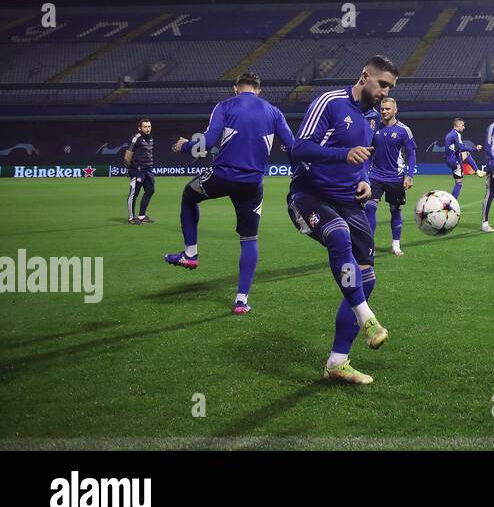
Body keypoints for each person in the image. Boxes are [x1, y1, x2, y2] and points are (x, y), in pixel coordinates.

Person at [286, 56, 397, 384]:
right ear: (365, 77)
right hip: (308, 195)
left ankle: (337, 362)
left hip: (349, 199)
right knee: (338, 236)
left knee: (368, 278)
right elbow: (298, 149)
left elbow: (363, 156)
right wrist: (341, 155)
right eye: (382, 84)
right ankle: (367, 318)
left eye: (390, 87)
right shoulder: (330, 103)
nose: (386, 92)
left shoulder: (373, 118)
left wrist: (363, 177)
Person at [164, 72, 295, 314]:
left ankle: (190, 254)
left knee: (188, 195)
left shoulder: (224, 106)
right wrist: (300, 177)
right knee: (249, 239)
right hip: (252, 184)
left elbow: (209, 141)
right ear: (259, 90)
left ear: (236, 88)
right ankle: (241, 301)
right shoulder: (274, 112)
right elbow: (292, 147)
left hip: (222, 176)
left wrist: (185, 146)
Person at [366, 98, 417, 256]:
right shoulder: (374, 128)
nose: (384, 111)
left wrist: (409, 175)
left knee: (395, 210)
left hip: (395, 177)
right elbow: (367, 151)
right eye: (382, 109)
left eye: (388, 109)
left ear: (395, 110)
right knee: (369, 208)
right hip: (374, 175)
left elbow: (412, 153)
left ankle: (396, 244)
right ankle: (369, 245)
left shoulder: (404, 130)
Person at [443, 117, 484, 201]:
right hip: (455, 161)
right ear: (457, 125)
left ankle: (478, 171)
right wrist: (475, 149)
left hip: (449, 159)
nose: (464, 127)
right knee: (459, 184)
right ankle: (452, 204)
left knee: (466, 154)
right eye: (462, 125)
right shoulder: (456, 134)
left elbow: (455, 148)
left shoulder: (450, 134)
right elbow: (461, 147)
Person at [125, 118, 156, 223]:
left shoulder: (150, 137)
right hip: (137, 171)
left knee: (150, 191)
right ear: (140, 128)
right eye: (145, 127)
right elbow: (128, 155)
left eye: (149, 126)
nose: (148, 129)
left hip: (148, 170)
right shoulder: (135, 138)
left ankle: (142, 216)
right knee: (134, 194)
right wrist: (130, 169)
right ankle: (131, 217)